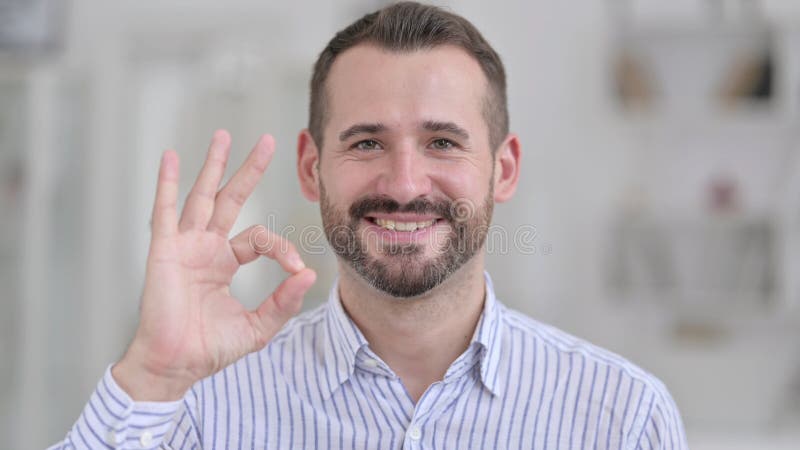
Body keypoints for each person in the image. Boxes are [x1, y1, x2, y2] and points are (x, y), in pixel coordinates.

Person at [51, 2, 687, 449]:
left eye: (441, 142)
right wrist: (153, 376)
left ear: (504, 168)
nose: (405, 184)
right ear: (310, 168)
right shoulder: (199, 404)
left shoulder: (622, 418)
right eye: (365, 144)